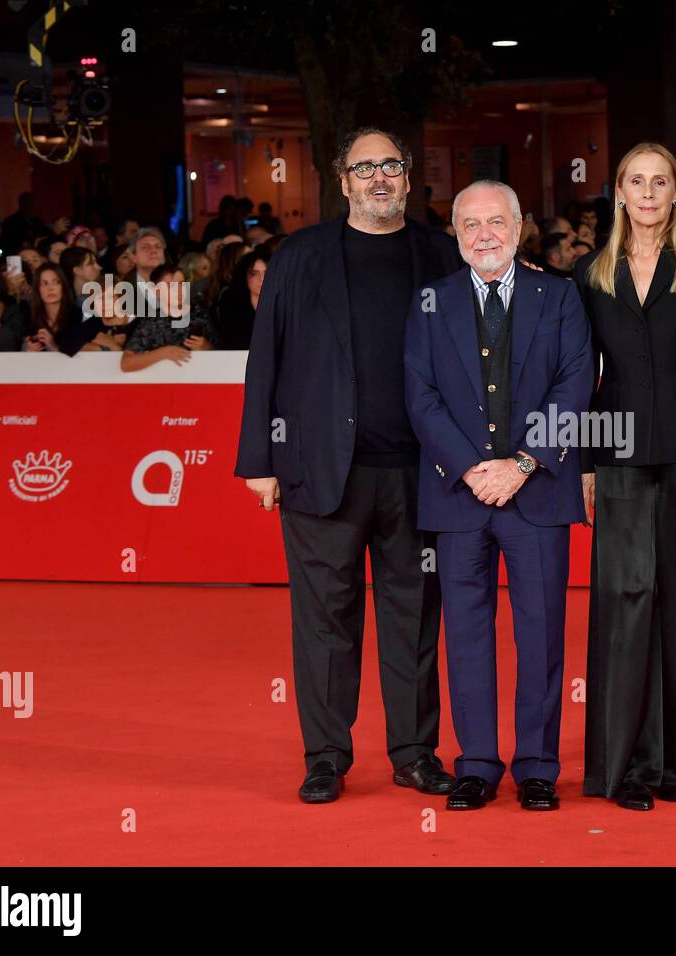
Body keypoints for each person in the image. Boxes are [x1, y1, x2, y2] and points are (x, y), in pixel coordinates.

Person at [235, 127, 462, 804]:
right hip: (318, 472)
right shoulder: (300, 257)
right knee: (325, 621)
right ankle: (327, 756)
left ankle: (415, 752)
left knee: (414, 618)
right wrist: (259, 460)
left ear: (407, 175)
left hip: (421, 474)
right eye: (365, 168)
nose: (379, 178)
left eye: (390, 165)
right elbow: (265, 358)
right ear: (343, 181)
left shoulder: (441, 255)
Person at [403, 179, 592, 812]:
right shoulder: (430, 301)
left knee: (541, 632)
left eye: (496, 222)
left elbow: (574, 383)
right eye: (471, 225)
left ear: (518, 227)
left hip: (537, 491)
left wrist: (524, 462)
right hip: (459, 497)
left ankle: (538, 765)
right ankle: (476, 763)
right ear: (456, 235)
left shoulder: (560, 296)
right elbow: (420, 397)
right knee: (465, 633)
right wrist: (471, 468)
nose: (485, 235)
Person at [573, 143, 676, 811]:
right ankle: (630, 765)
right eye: (635, 181)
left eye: (658, 182)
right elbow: (579, 378)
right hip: (617, 459)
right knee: (626, 605)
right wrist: (582, 461)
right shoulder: (589, 276)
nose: (646, 192)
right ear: (619, 193)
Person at [120, 263, 217, 370]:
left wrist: (206, 346)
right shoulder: (151, 321)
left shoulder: (202, 314)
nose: (179, 290)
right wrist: (163, 353)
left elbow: (225, 353)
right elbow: (126, 363)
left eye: (181, 284)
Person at [23, 262, 97, 356]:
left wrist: (54, 347)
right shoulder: (31, 319)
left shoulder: (80, 317)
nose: (50, 288)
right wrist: (29, 352)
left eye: (56, 282)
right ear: (37, 289)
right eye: (44, 283)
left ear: (63, 286)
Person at [215, 248, 269, 349]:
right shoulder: (231, 305)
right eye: (254, 273)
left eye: (266, 272)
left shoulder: (285, 304)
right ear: (244, 276)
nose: (261, 279)